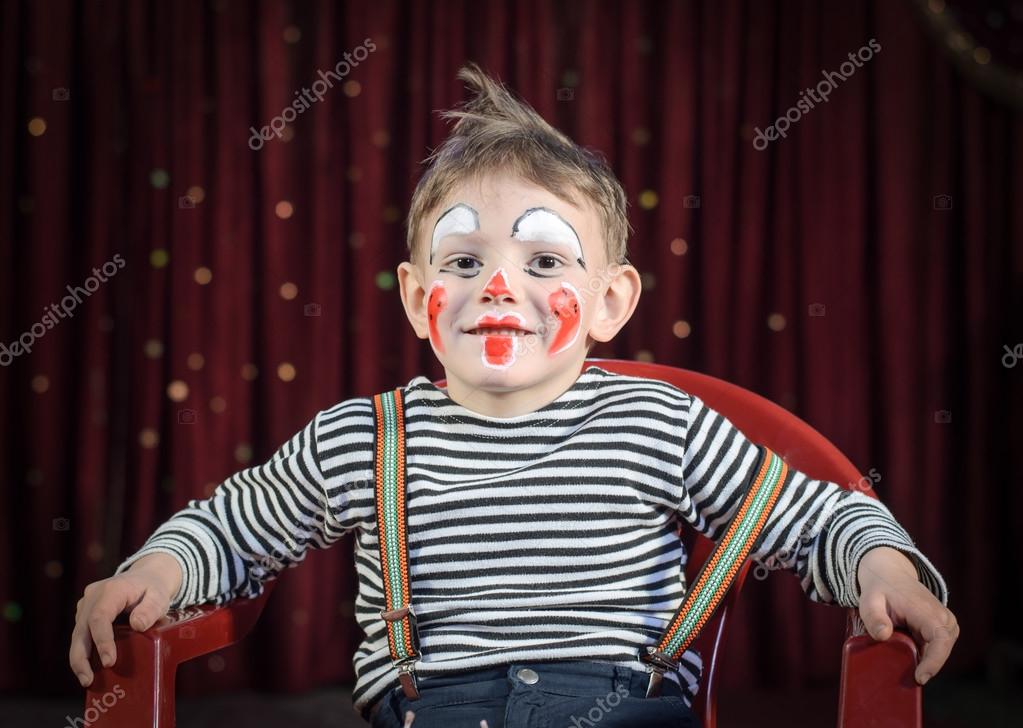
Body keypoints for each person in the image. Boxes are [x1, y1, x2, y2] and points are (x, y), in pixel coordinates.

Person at [69, 64, 958, 728]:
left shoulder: (660, 426)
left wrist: (883, 567)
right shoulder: (362, 440)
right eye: (464, 261)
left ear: (609, 301)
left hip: (625, 711)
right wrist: (154, 569)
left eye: (543, 260)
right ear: (421, 300)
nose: (499, 286)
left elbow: (817, 519)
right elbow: (231, 527)